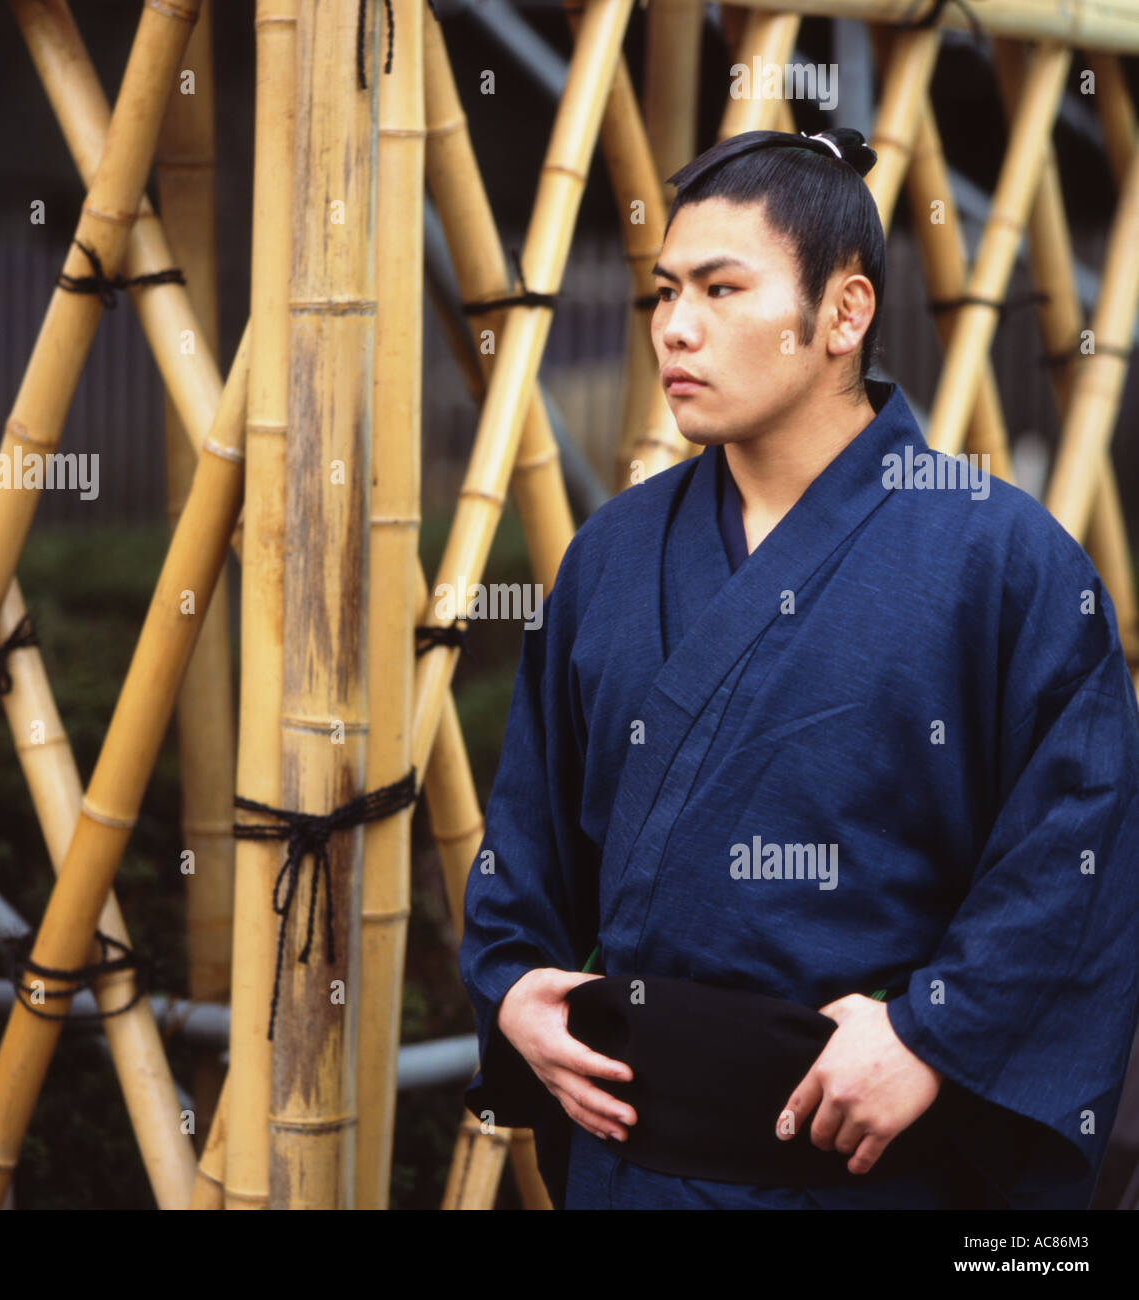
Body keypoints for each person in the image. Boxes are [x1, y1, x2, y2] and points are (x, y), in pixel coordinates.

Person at [458, 126, 1139, 1210]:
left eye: (723, 290)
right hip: (627, 1163)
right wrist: (513, 990)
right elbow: (525, 829)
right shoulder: (613, 554)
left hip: (868, 1168)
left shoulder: (999, 559)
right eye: (665, 291)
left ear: (843, 313)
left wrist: (931, 1032)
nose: (675, 328)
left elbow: (1076, 852)